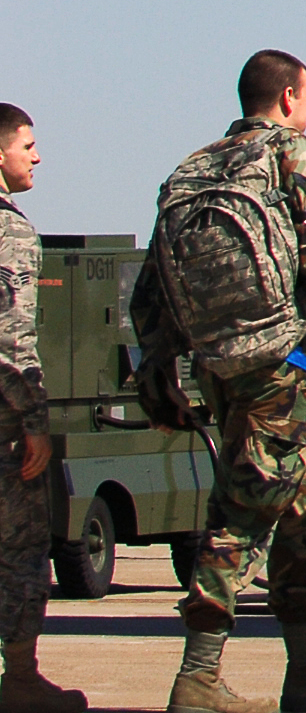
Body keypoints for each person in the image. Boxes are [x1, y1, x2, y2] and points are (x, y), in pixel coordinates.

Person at [140, 51, 306, 713]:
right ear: (286, 100)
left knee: (302, 504)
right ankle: (200, 675)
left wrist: (157, 366)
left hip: (219, 363)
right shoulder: (292, 156)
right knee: (242, 513)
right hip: (281, 363)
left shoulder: (191, 169)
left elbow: (154, 277)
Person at [0, 107, 84, 713]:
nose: (36, 156)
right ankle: (20, 678)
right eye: (26, 145)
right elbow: (11, 339)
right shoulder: (11, 234)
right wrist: (35, 424)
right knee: (22, 551)